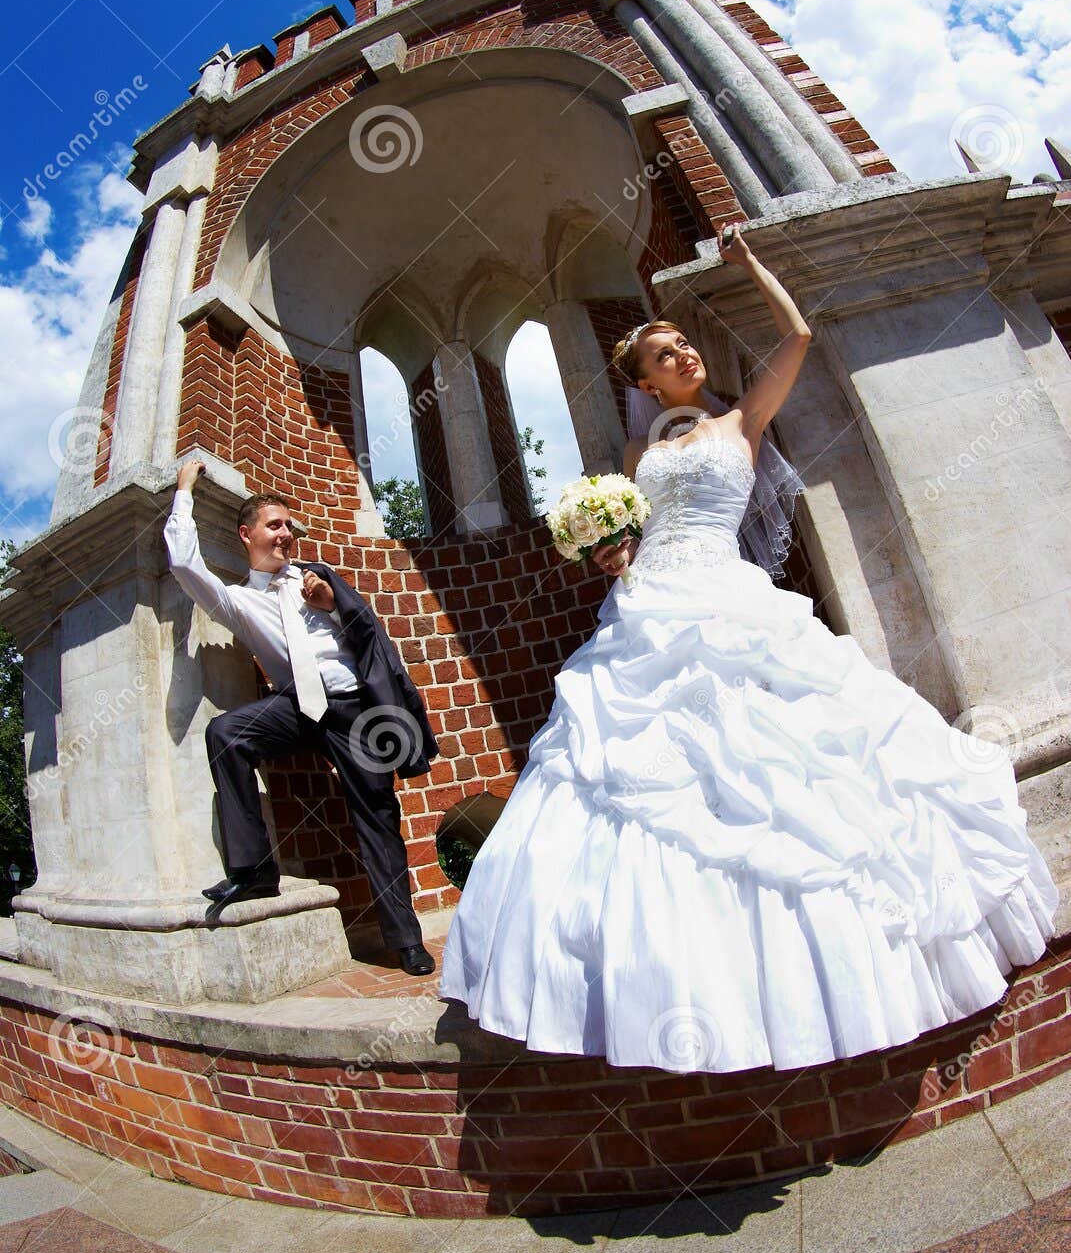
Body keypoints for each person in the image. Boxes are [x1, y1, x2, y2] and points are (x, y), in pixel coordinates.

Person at [438, 222, 1060, 1071]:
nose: (683, 355)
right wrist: (610, 546)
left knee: (774, 757)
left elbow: (797, 336)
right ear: (643, 382)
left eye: (683, 344)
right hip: (647, 601)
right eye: (664, 353)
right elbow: (633, 520)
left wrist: (750, 265)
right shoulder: (638, 449)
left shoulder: (742, 421)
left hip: (724, 595)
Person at [164, 461, 438, 975]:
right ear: (247, 535)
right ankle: (255, 871)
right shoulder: (240, 603)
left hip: (354, 710)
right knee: (226, 733)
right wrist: (184, 491)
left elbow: (369, 637)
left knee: (377, 820)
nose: (286, 533)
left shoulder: (319, 578)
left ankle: (406, 941)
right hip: (297, 708)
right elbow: (184, 565)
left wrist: (333, 605)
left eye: (289, 525)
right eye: (275, 525)